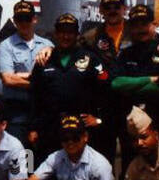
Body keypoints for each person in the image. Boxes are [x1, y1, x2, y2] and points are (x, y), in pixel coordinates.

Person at [27, 12, 114, 164]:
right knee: (49, 173)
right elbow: (34, 97)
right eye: (61, 32)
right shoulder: (44, 60)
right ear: (55, 34)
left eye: (70, 33)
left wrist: (99, 119)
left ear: (77, 34)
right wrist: (33, 128)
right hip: (50, 129)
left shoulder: (90, 59)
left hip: (80, 130)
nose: (65, 37)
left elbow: (107, 92)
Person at [112, 4, 159, 142]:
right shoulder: (126, 53)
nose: (140, 29)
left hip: (158, 120)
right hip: (131, 122)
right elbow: (116, 84)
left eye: (144, 24)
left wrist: (130, 87)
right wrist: (149, 79)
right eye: (136, 25)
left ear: (154, 24)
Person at [0, 0, 53, 152]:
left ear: (34, 19)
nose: (24, 23)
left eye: (27, 18)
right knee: (21, 156)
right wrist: (41, 82)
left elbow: (56, 77)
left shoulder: (48, 46)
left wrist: (21, 76)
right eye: (20, 19)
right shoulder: (6, 46)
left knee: (41, 156)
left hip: (41, 112)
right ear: (14, 21)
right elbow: (8, 79)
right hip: (18, 114)